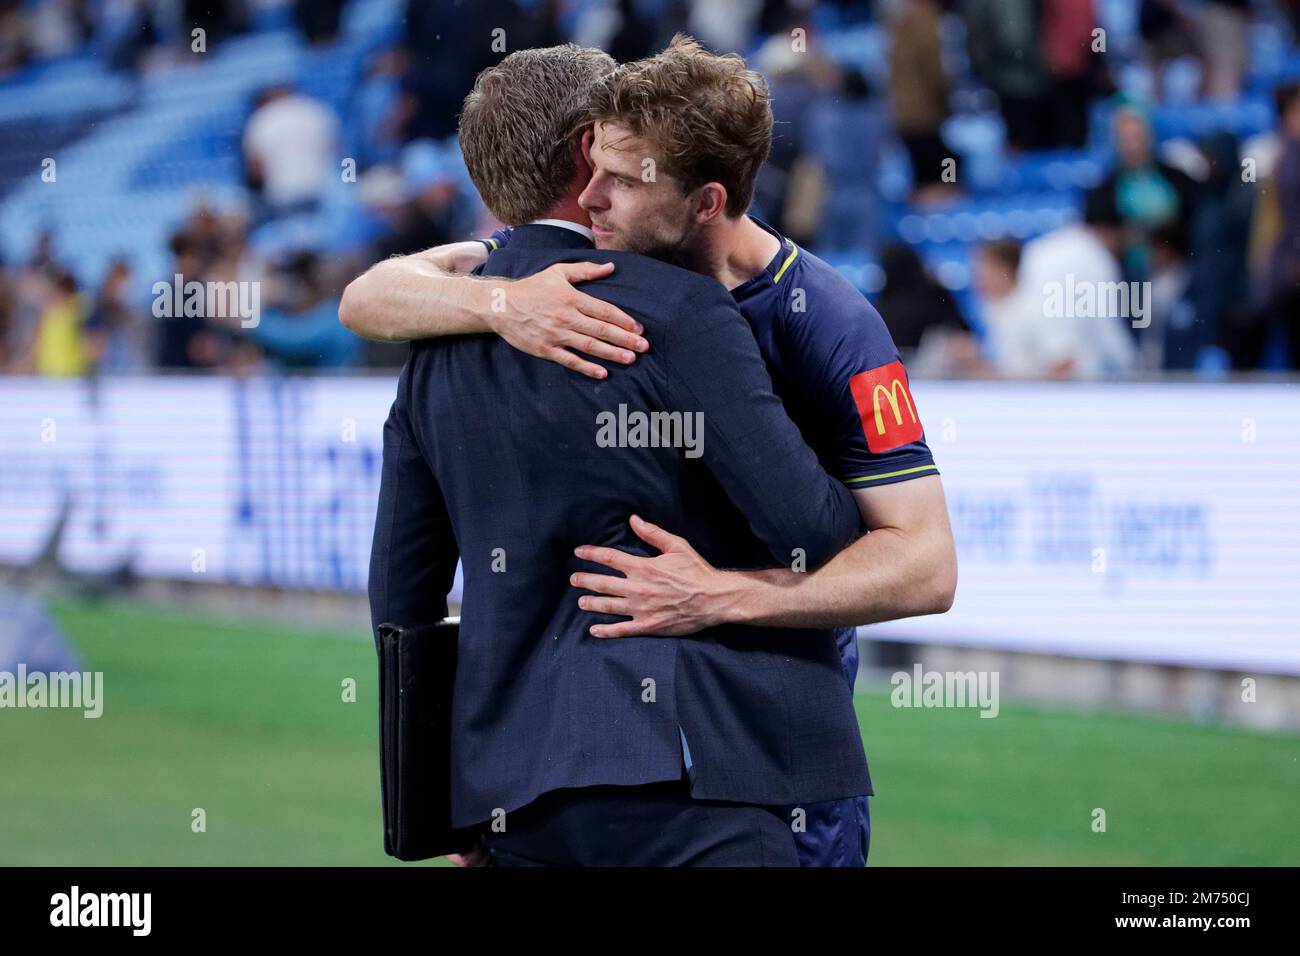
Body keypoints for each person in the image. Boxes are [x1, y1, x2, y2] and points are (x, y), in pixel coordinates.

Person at [344, 37, 958, 866]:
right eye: (594, 168)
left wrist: (724, 595)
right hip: (723, 774)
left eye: (622, 175)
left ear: (702, 198)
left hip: (566, 792)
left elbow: (921, 566)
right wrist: (498, 301)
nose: (597, 199)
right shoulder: (530, 297)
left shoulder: (829, 321)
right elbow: (364, 296)